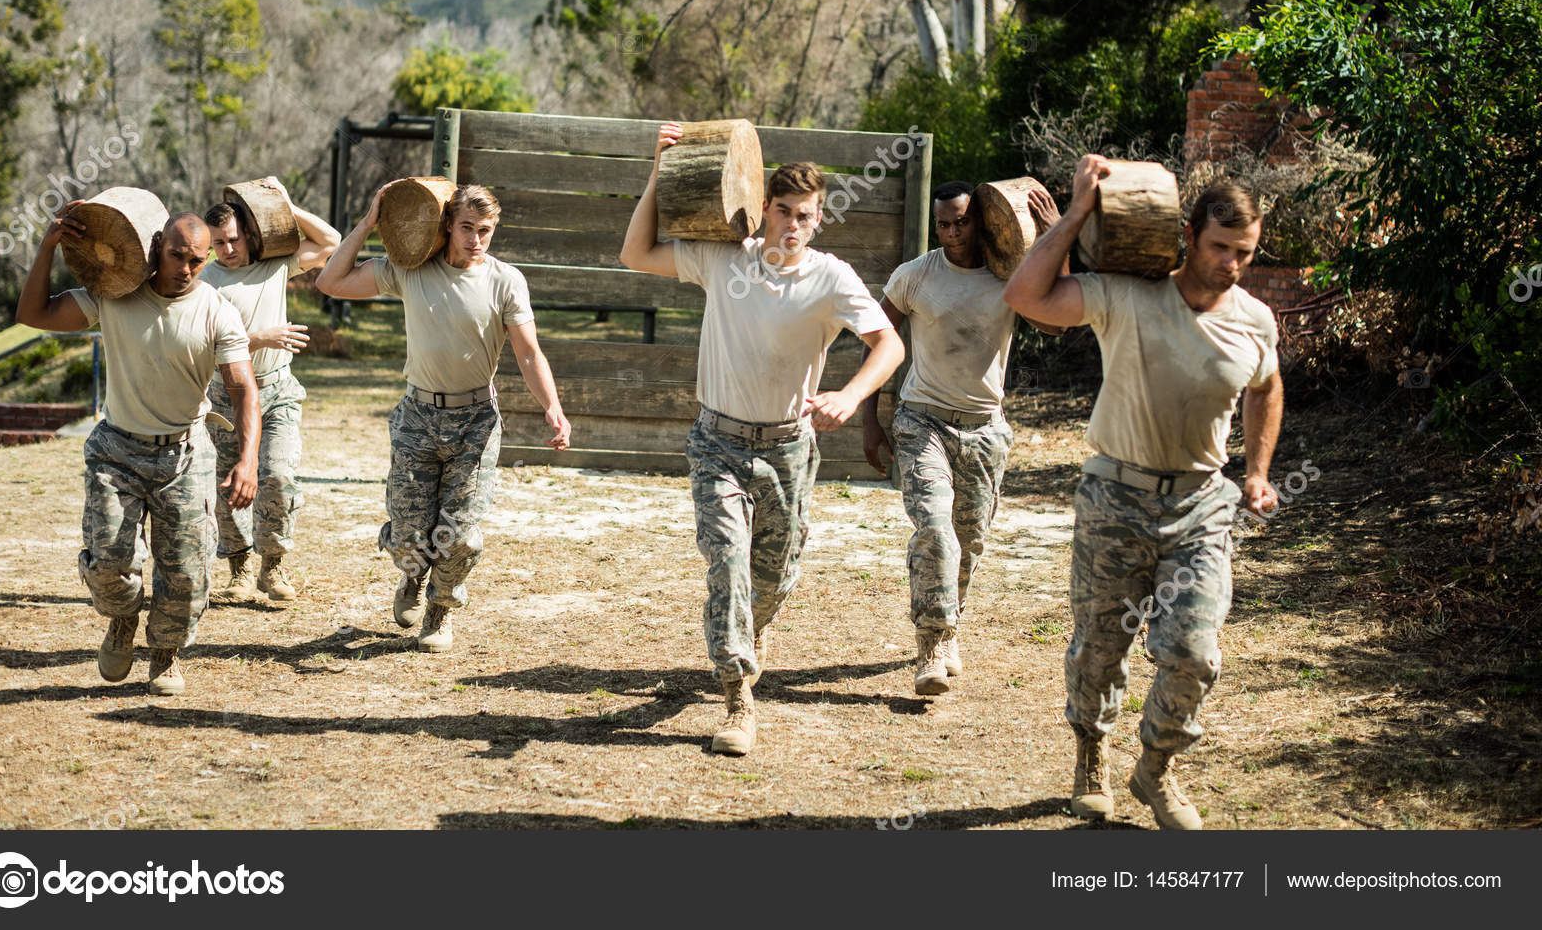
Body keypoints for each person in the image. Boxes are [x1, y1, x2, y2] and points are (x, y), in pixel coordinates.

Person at [1003, 158, 1283, 830]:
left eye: (1244, 253)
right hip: (1114, 496)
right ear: (1189, 234)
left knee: (1193, 652)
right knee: (1100, 647)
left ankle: (1156, 768)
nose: (1231, 264)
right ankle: (1091, 753)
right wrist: (1073, 215)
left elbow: (1267, 389)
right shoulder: (1126, 294)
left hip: (1200, 505)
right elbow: (1026, 295)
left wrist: (1257, 470)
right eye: (1220, 247)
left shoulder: (1254, 320)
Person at [620, 123, 905, 756]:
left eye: (805, 216)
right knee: (728, 562)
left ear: (819, 218)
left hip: (789, 448)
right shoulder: (726, 258)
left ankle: (753, 628)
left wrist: (851, 395)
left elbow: (890, 343)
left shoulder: (833, 278)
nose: (792, 226)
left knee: (772, 577)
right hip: (717, 441)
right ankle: (737, 695)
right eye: (783, 212)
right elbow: (635, 254)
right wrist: (655, 172)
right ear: (765, 210)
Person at [316, 182, 570, 653]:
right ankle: (412, 575)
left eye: (486, 230)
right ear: (448, 225)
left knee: (460, 536)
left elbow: (529, 353)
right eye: (467, 228)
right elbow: (330, 282)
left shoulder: (505, 280)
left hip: (476, 421)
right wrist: (371, 220)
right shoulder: (411, 270)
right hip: (417, 415)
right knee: (408, 533)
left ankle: (440, 608)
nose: (476, 239)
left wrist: (552, 407)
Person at [17, 206, 259, 696]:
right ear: (155, 249)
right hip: (117, 450)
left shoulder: (218, 310)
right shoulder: (114, 294)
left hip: (185, 456)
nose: (185, 269)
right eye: (176, 256)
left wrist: (248, 457)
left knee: (187, 573)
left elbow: (243, 390)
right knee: (107, 564)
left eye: (196, 259)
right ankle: (124, 620)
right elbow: (32, 314)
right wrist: (47, 247)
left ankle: (165, 654)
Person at [861, 180, 1066, 697]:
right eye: (943, 224)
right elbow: (877, 345)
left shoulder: (1011, 278)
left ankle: (951, 624)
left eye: (962, 221)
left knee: (969, 542)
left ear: (984, 221)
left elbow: (1059, 321)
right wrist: (869, 418)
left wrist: (1053, 236)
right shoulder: (915, 275)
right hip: (921, 421)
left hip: (984, 429)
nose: (952, 232)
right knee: (934, 528)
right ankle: (933, 640)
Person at [201, 180, 340, 602]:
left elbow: (331, 241)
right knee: (228, 486)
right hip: (225, 397)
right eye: (218, 243)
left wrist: (283, 203)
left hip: (277, 389)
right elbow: (203, 347)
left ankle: (272, 567)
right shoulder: (204, 283)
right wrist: (259, 338)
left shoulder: (275, 264)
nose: (227, 250)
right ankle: (239, 570)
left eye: (233, 239)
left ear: (249, 233)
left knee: (277, 476)